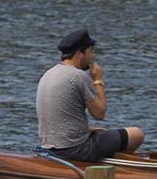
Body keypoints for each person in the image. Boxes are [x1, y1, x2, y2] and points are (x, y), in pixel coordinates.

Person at [37, 28, 145, 162]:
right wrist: (98, 80)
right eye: (90, 51)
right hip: (75, 149)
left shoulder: (49, 73)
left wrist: (89, 129)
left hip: (50, 147)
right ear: (79, 54)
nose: (92, 56)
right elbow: (99, 114)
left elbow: (60, 119)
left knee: (101, 131)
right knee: (136, 134)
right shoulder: (78, 76)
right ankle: (119, 169)